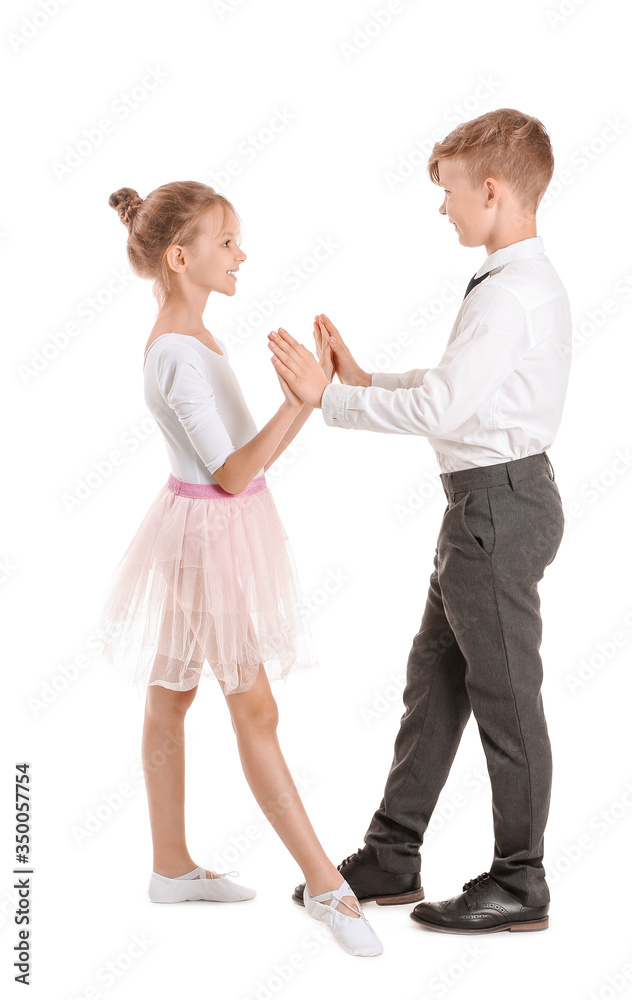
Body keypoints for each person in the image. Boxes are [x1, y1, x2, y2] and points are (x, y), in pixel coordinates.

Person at [269, 108, 572, 934]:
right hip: (480, 508)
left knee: (505, 699)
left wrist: (328, 397)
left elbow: (441, 404)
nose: (441, 209)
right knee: (431, 686)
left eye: (447, 193)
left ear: (490, 189)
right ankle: (393, 853)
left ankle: (520, 880)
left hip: (496, 513)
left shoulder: (512, 294)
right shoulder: (507, 283)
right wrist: (364, 377)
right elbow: (456, 389)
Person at [97, 180, 383, 957]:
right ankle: (327, 886)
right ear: (181, 256)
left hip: (208, 528)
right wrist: (300, 403)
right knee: (253, 711)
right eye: (227, 243)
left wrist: (302, 400)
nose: (242, 254)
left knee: (172, 693)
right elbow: (230, 472)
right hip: (207, 535)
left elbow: (234, 468)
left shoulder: (189, 336)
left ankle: (170, 867)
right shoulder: (177, 353)